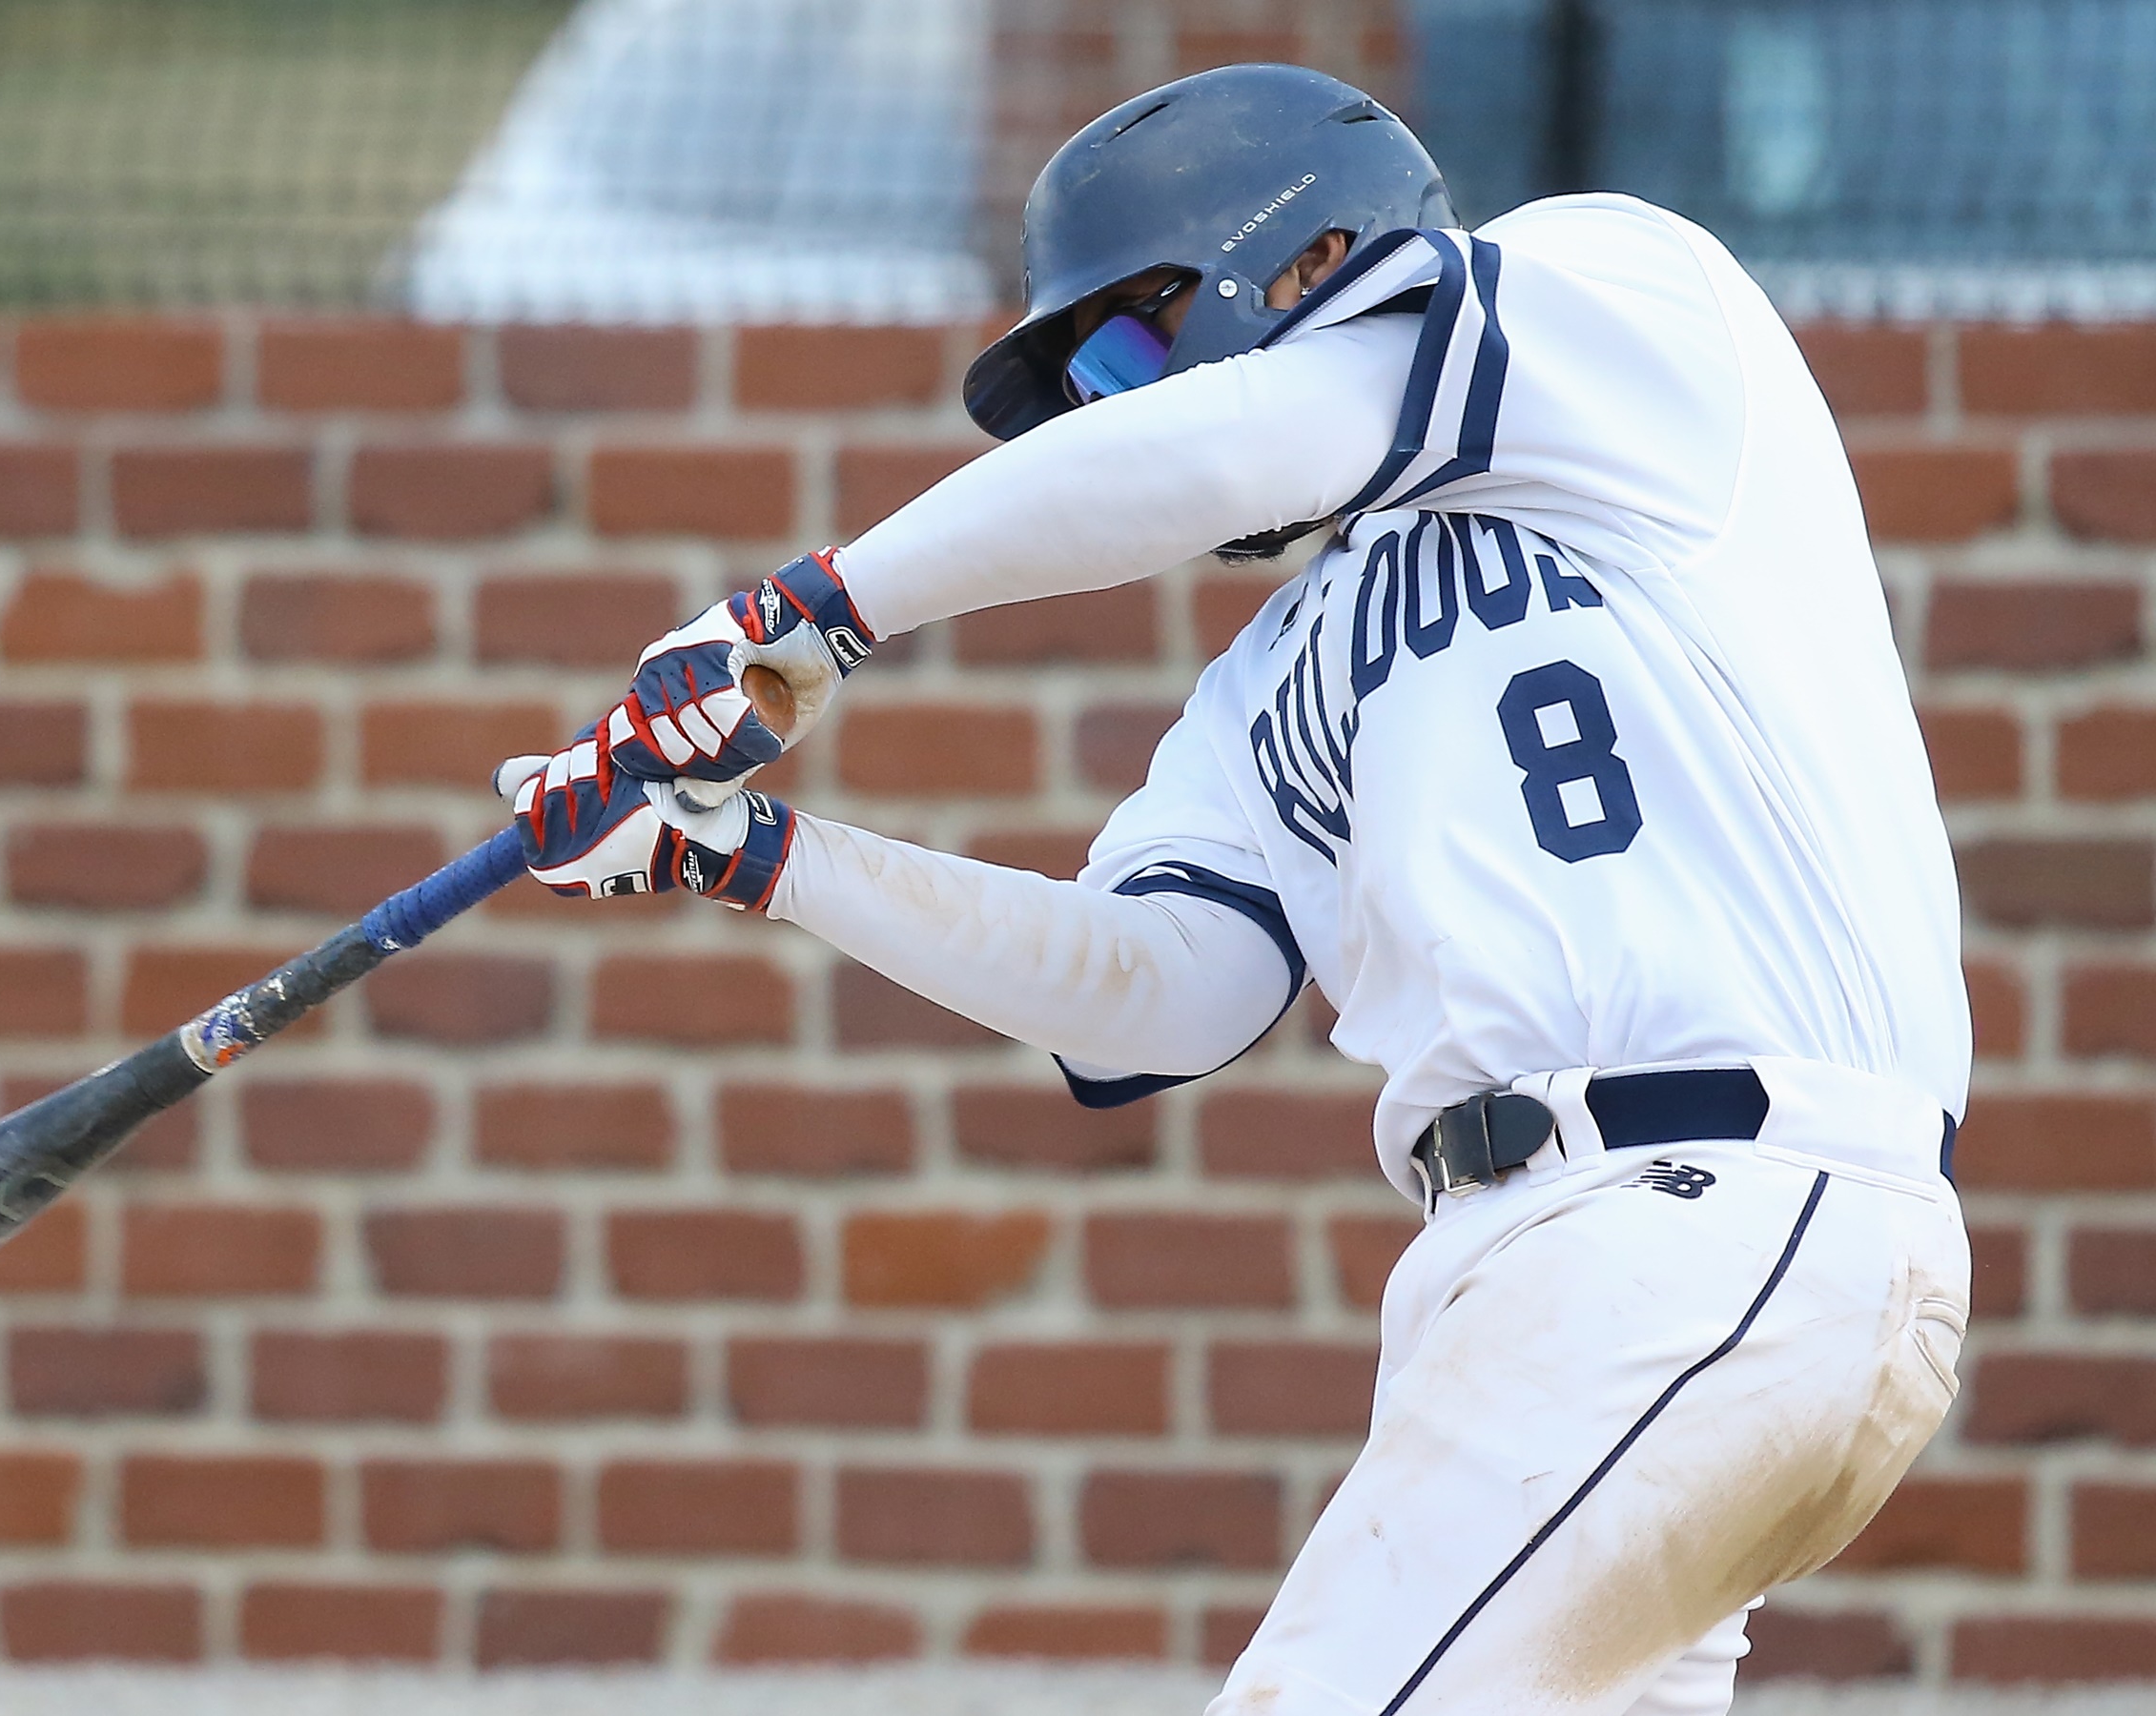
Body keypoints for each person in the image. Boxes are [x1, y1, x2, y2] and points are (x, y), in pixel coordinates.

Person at [498, 63, 1969, 1716]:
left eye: (1128, 348)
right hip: (1535, 1274)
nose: (1119, 408)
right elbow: (1159, 993)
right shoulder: (1276, 669)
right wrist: (759, 857)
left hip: (1711, 1222)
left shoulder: (1622, 304)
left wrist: (811, 610)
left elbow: (1257, 435)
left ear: (1300, 254)